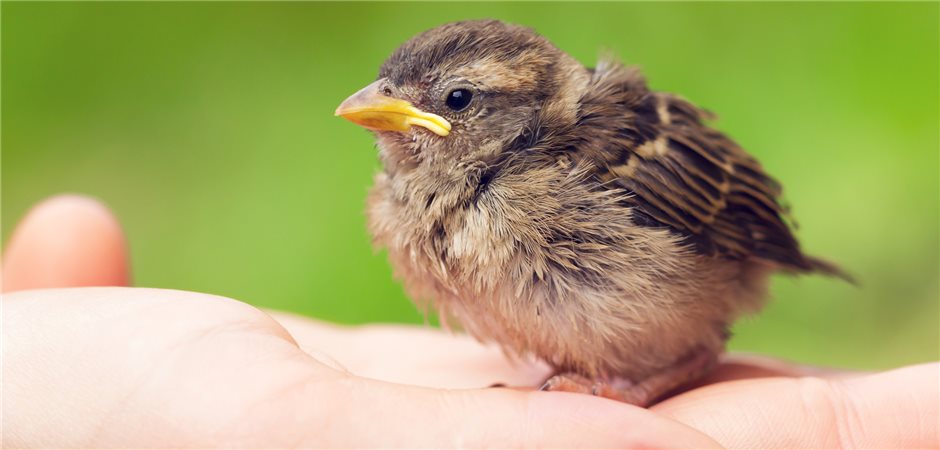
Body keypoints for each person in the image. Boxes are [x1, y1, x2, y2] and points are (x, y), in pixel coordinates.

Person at [3, 195, 937, 448]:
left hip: (702, 276)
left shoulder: (586, 155)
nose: (393, 120)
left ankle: (670, 363)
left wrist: (643, 378)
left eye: (454, 105)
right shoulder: (400, 205)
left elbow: (722, 212)